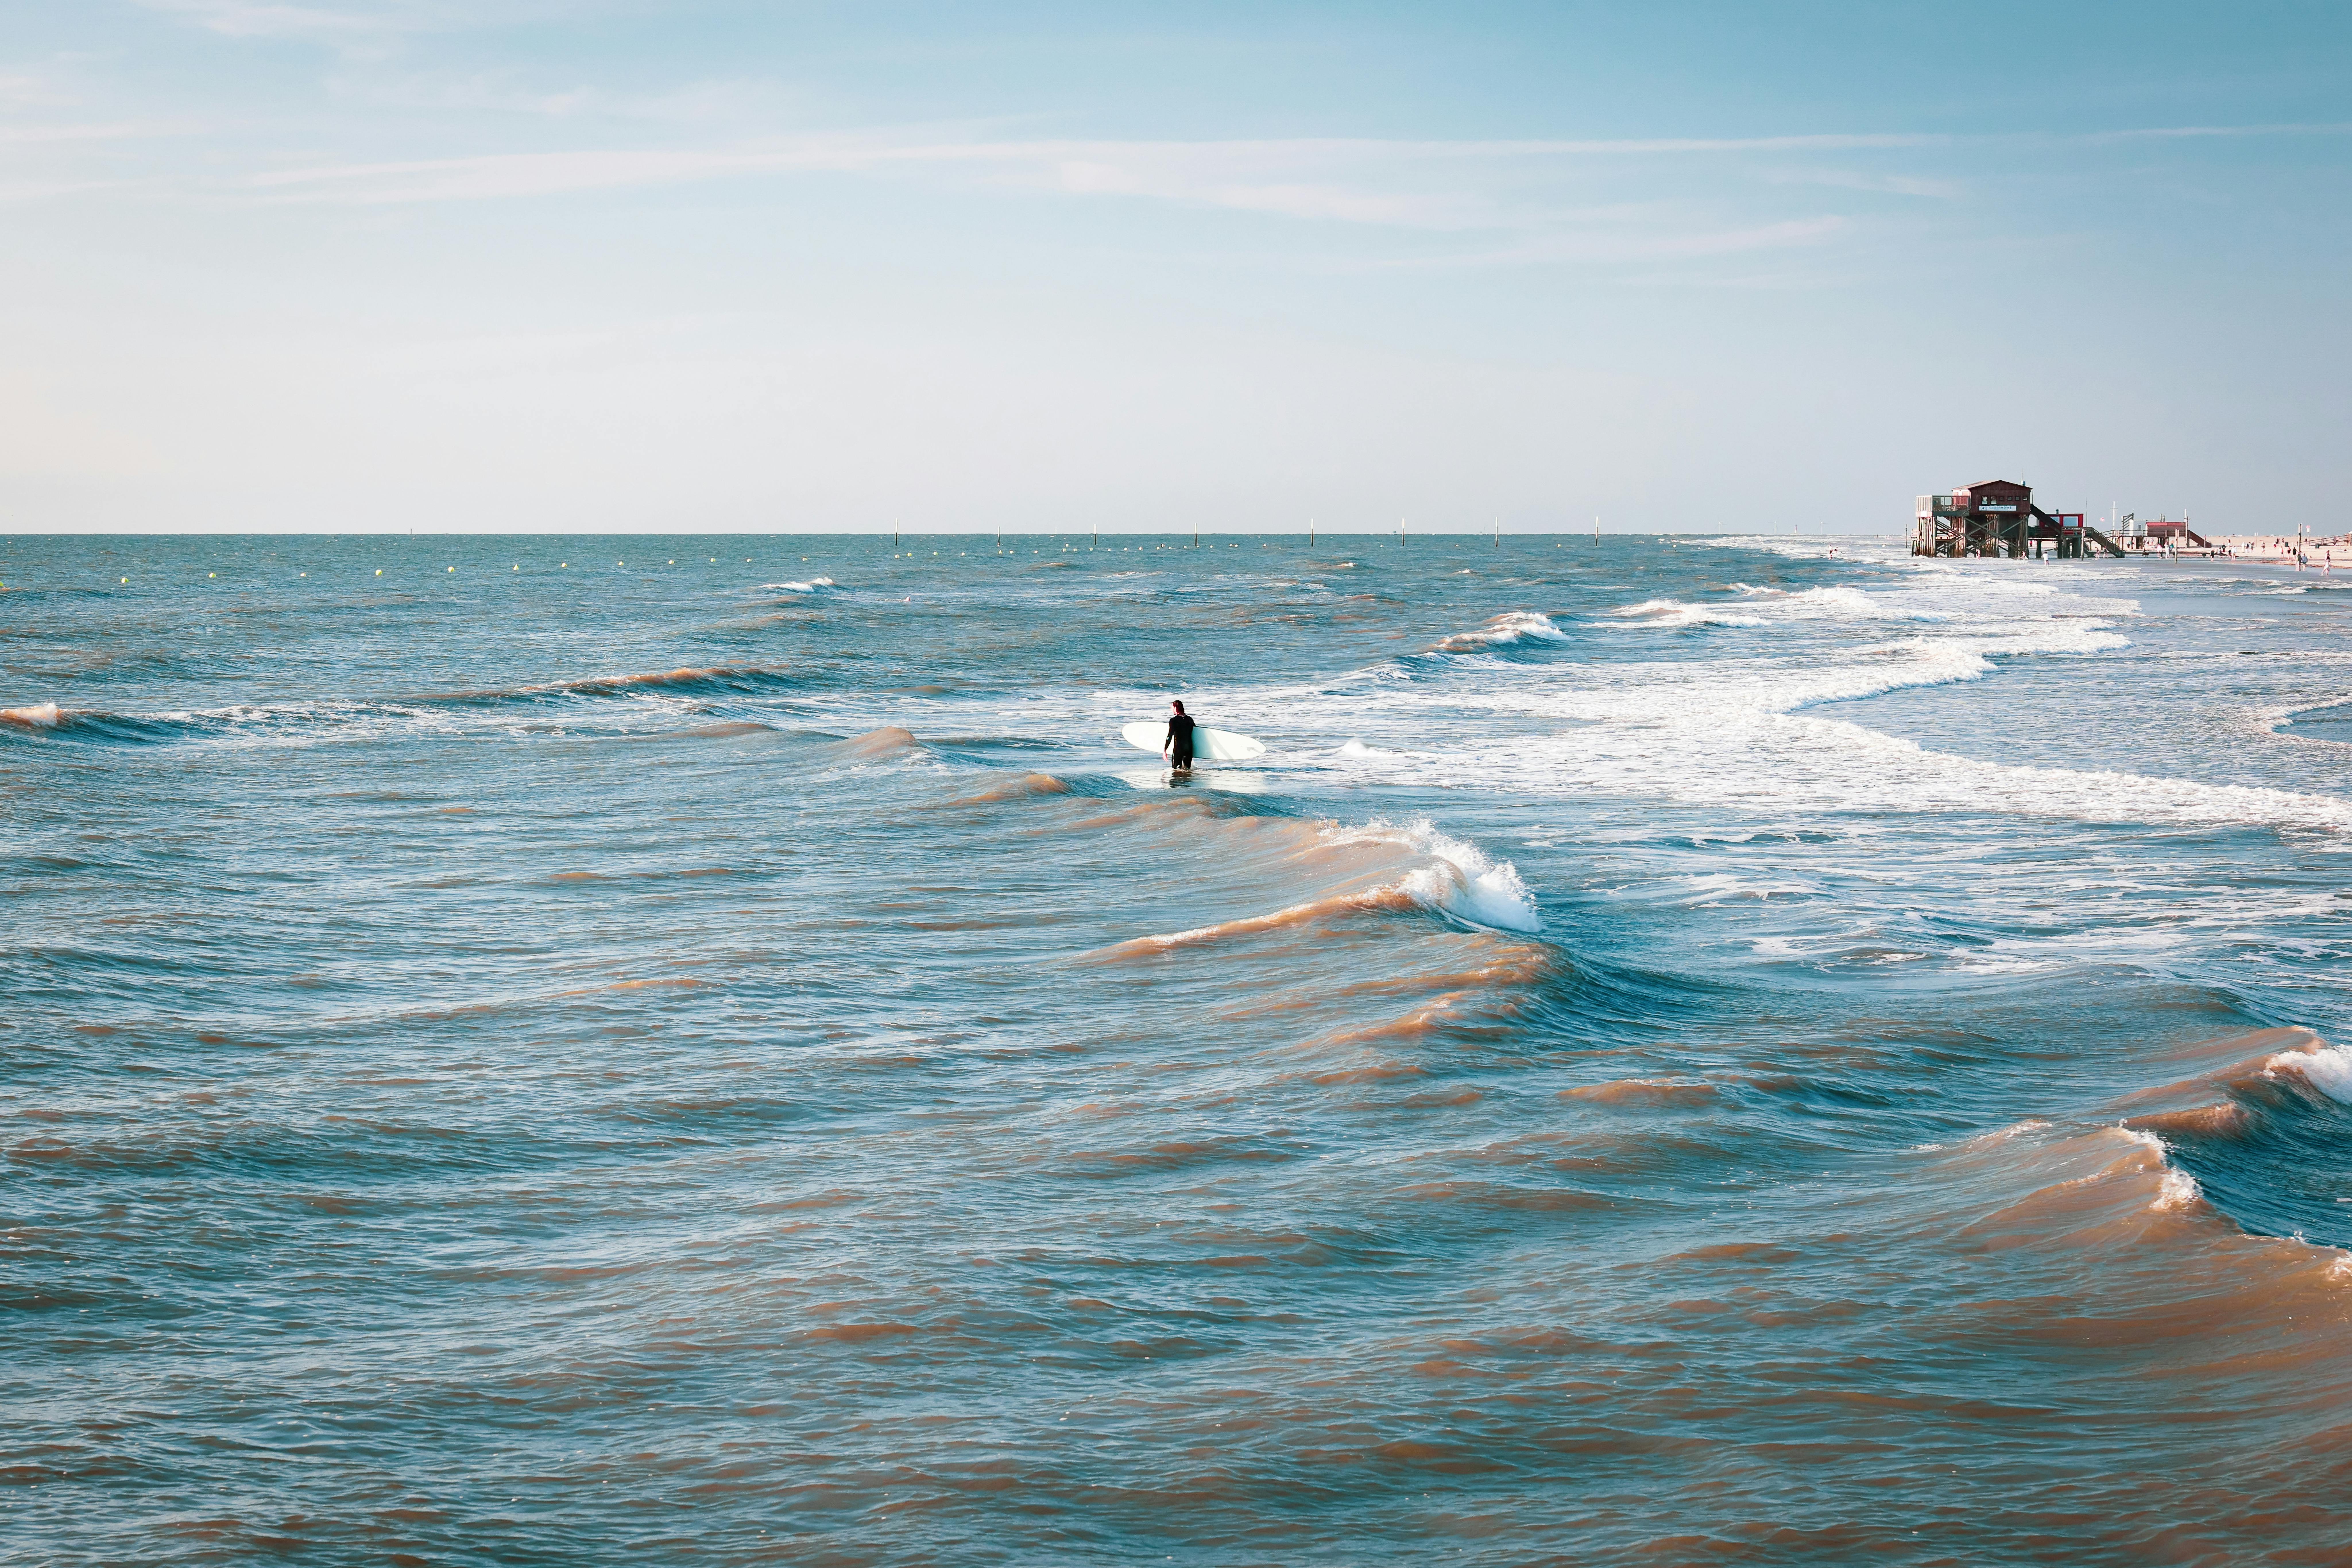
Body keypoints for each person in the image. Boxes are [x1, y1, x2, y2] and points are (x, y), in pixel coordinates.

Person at [1163, 699, 1197, 771]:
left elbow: (1170, 736)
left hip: (1179, 750)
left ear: (1176, 708)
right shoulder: (1190, 720)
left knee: (1176, 771)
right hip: (1189, 750)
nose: (1171, 709)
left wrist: (1165, 750)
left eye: (1172, 708)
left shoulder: (1174, 721)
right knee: (1188, 771)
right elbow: (1196, 734)